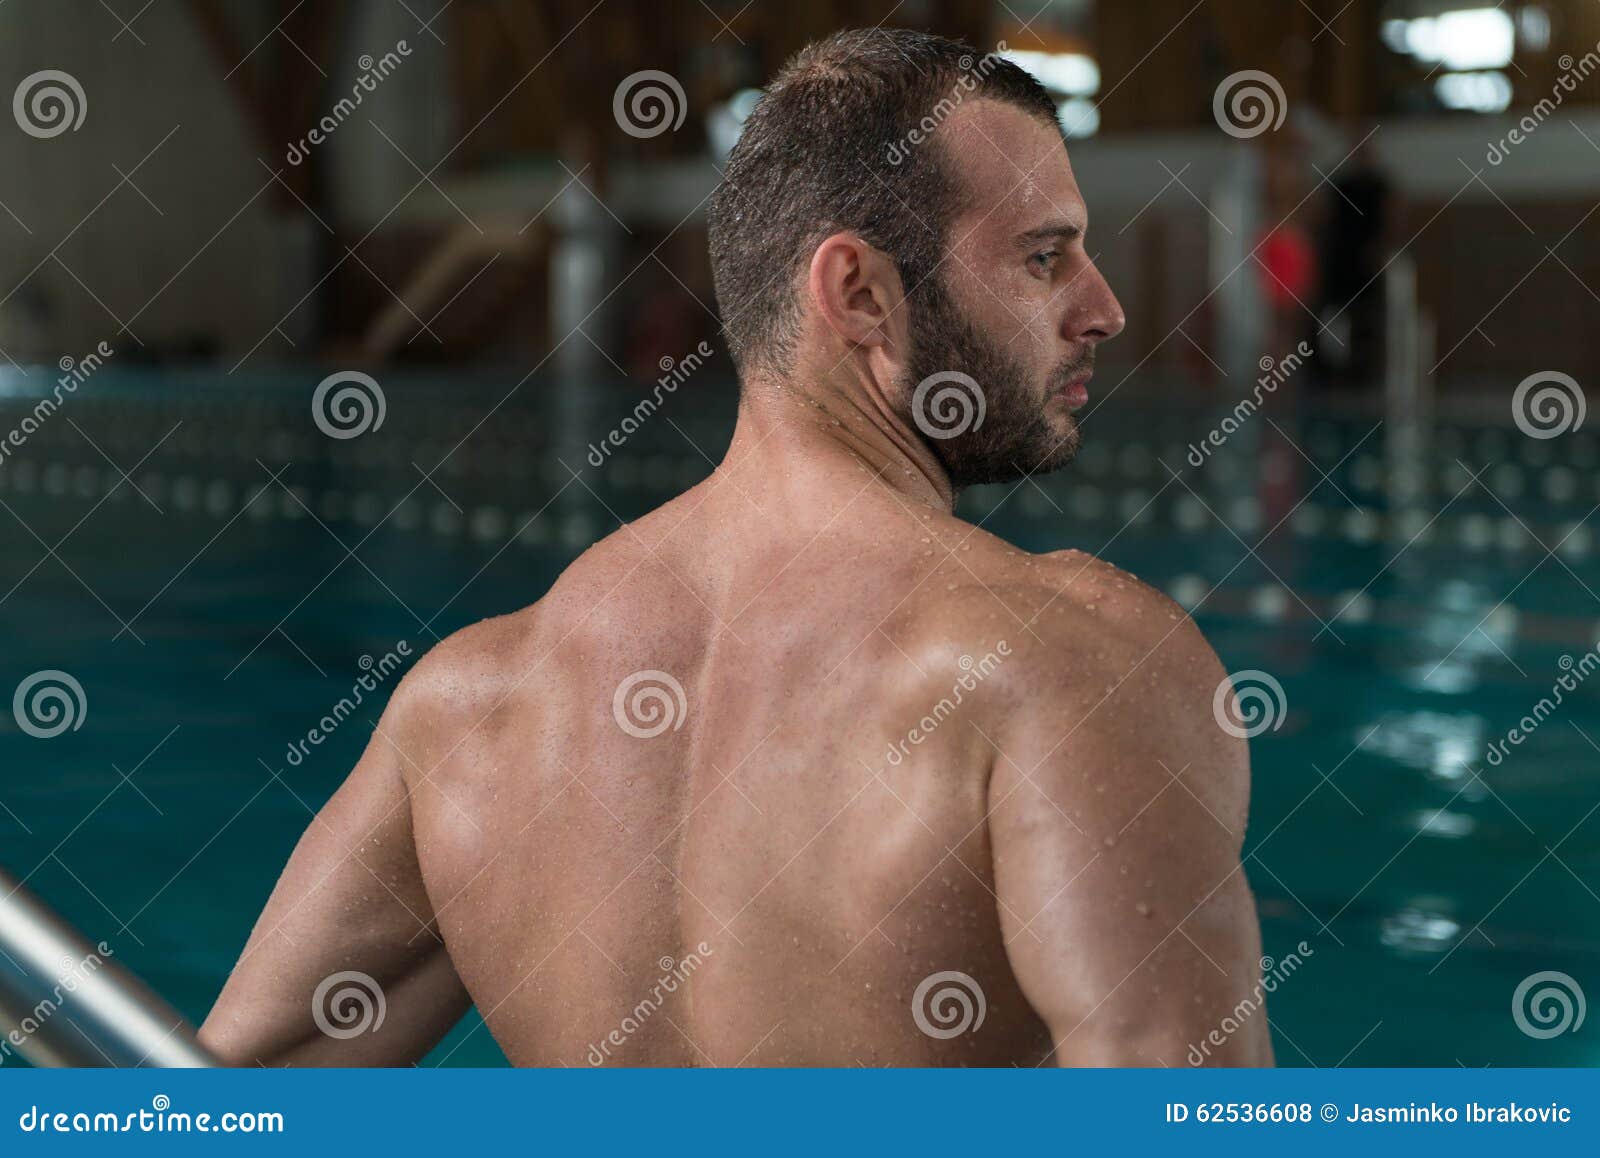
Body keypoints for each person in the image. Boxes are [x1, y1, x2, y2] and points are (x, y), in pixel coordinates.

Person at [200, 28, 1272, 1068]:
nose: (1103, 309)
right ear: (860, 295)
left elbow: (207, 1108)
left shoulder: (471, 710)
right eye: (1043, 258)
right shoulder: (1065, 662)